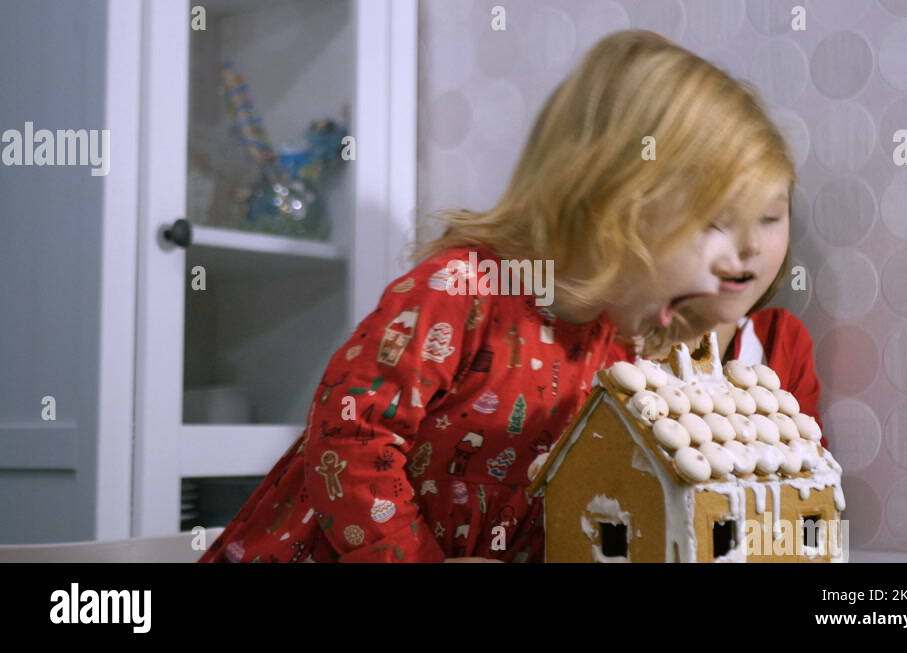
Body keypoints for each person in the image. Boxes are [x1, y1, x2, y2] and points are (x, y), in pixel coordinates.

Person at [198, 29, 797, 563]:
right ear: (623, 204)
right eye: (715, 224)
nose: (730, 263)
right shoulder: (461, 291)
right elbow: (351, 440)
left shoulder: (615, 349)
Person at [629, 185, 828, 449]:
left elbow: (815, 479)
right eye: (721, 218)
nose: (751, 245)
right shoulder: (601, 347)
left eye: (769, 217)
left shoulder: (780, 341)